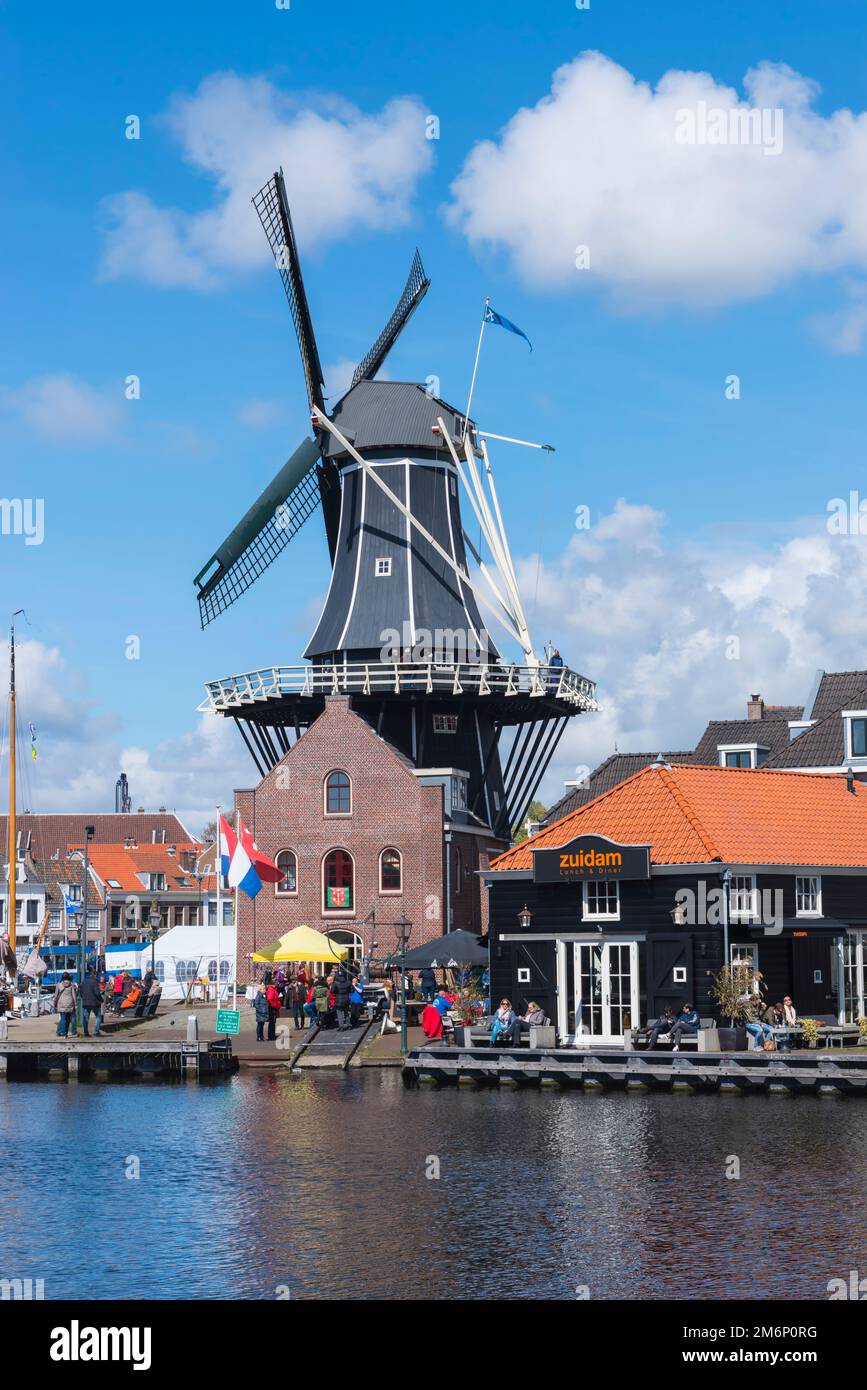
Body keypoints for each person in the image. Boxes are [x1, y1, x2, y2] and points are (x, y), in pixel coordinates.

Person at [53, 972, 78, 1038]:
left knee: (63, 1019)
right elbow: (74, 996)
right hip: (70, 1004)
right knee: (68, 1019)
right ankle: (66, 1032)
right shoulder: (71, 984)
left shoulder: (58, 985)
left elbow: (56, 996)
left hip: (61, 1004)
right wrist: (75, 1004)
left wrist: (54, 1004)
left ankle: (63, 1033)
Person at [80, 969, 103, 1037]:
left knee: (86, 1018)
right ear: (95, 975)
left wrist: (83, 998)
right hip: (94, 1002)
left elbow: (80, 992)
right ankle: (96, 1032)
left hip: (86, 1002)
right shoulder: (94, 982)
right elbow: (97, 993)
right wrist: (101, 1000)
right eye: (97, 975)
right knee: (98, 1016)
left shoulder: (83, 981)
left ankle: (86, 1032)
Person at [332, 967, 353, 1032]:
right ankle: (349, 1025)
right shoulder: (348, 982)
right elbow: (352, 990)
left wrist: (337, 992)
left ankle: (341, 1027)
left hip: (338, 999)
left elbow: (332, 991)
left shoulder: (335, 983)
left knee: (339, 1014)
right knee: (346, 1013)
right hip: (346, 999)